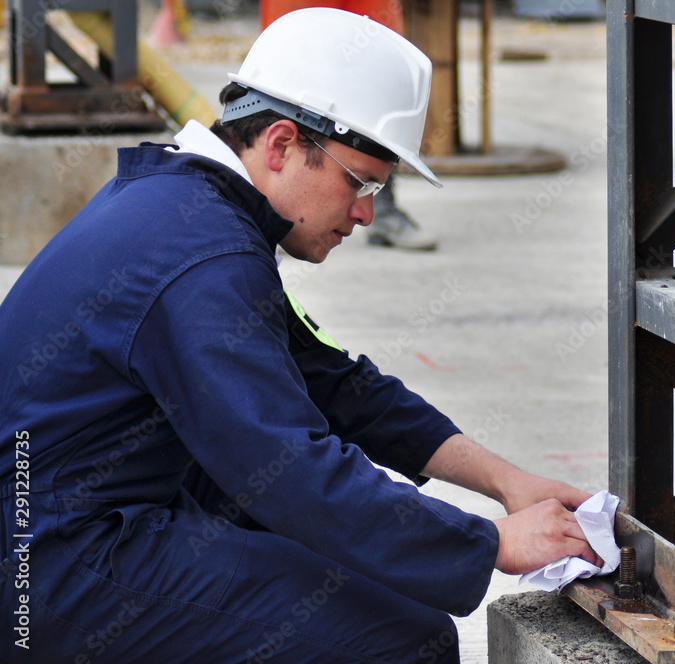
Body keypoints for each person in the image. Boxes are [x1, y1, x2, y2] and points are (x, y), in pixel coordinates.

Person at [0, 9, 597, 663]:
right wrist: (491, 544)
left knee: (365, 576)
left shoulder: (188, 209)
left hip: (64, 529)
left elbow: (336, 385)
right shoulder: (202, 253)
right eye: (360, 181)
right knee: (402, 640)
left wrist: (507, 482)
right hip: (49, 568)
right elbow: (285, 468)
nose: (367, 213)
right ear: (281, 143)